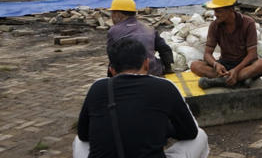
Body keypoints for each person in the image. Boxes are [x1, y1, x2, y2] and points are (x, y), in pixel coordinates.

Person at [74, 38, 209, 158]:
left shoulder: (97, 87)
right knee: (200, 136)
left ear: (112, 70)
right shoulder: (165, 87)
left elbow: (83, 134)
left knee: (79, 142)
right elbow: (190, 133)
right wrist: (164, 128)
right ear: (146, 64)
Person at [190, 0, 262, 88]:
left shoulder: (248, 23)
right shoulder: (214, 25)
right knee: (195, 66)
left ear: (231, 9)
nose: (215, 14)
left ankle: (221, 81)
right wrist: (216, 65)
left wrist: (236, 70)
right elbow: (207, 54)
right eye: (214, 11)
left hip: (244, 65)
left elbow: (252, 55)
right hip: (225, 64)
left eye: (219, 11)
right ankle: (238, 79)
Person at [107, 0, 174, 77]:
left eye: (112, 13)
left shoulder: (113, 31)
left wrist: (110, 79)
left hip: (127, 75)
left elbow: (112, 57)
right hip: (153, 72)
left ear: (117, 14)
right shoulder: (149, 28)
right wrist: (168, 69)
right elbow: (165, 49)